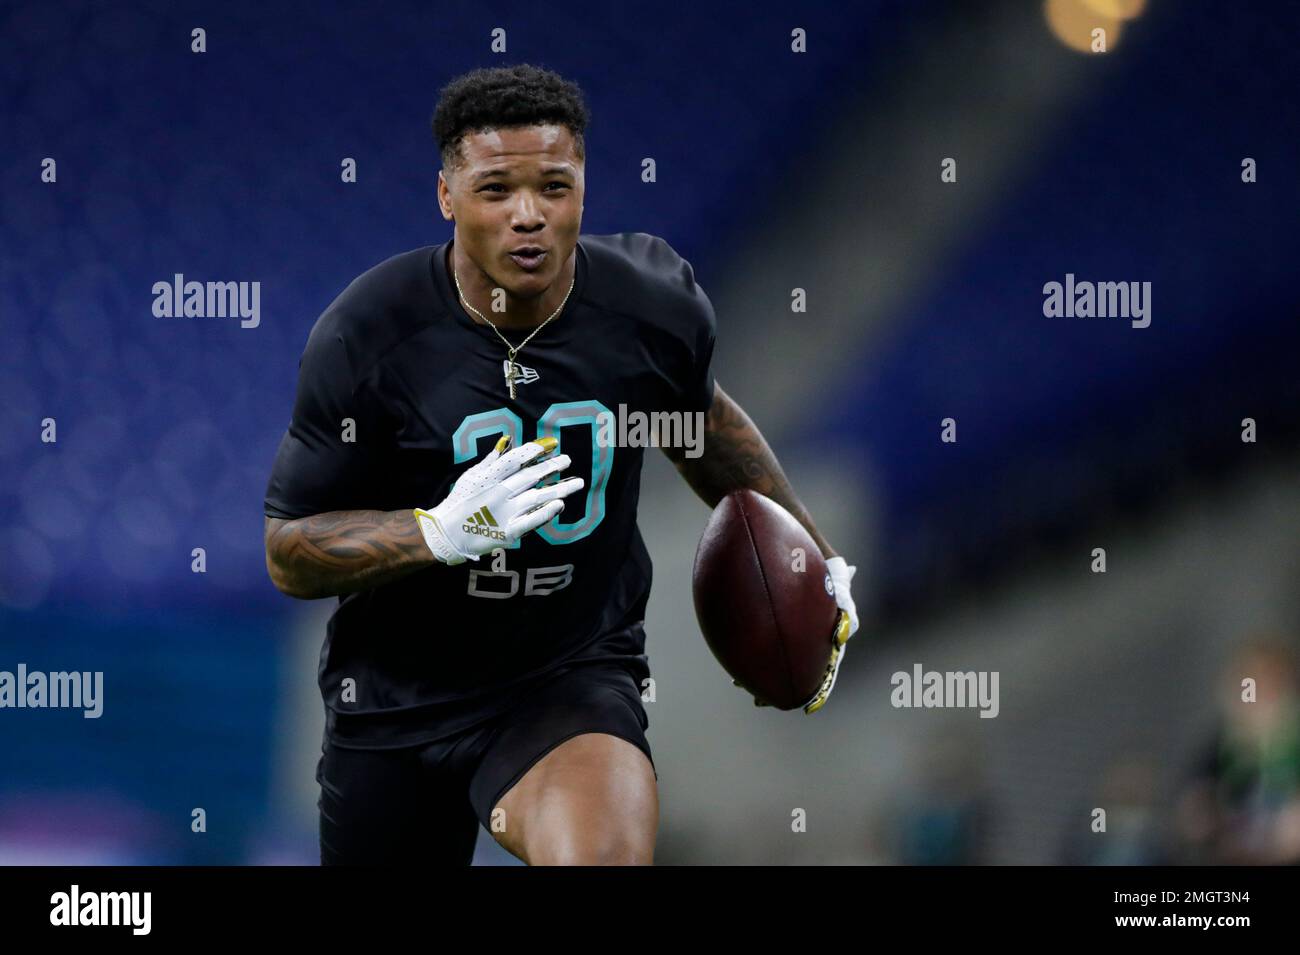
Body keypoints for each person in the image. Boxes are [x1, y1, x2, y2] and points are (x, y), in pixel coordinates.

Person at [262, 63, 860, 866]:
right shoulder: (368, 334)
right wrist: (438, 532)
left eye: (553, 186)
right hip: (395, 696)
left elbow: (703, 423)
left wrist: (813, 558)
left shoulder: (649, 305)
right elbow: (289, 552)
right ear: (446, 197)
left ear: (584, 184)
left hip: (567, 677)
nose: (528, 217)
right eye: (496, 190)